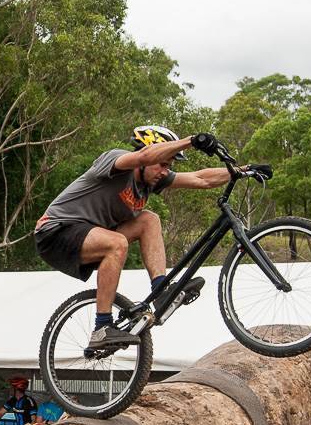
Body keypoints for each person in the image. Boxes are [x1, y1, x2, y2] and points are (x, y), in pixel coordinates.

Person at [34, 126, 230, 348]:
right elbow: (144, 156)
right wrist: (192, 141)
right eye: (163, 164)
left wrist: (240, 171)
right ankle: (101, 328)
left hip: (89, 234)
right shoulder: (116, 160)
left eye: (170, 166)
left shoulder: (151, 180)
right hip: (55, 232)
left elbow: (200, 179)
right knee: (116, 243)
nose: (165, 171)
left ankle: (161, 291)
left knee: (149, 220)